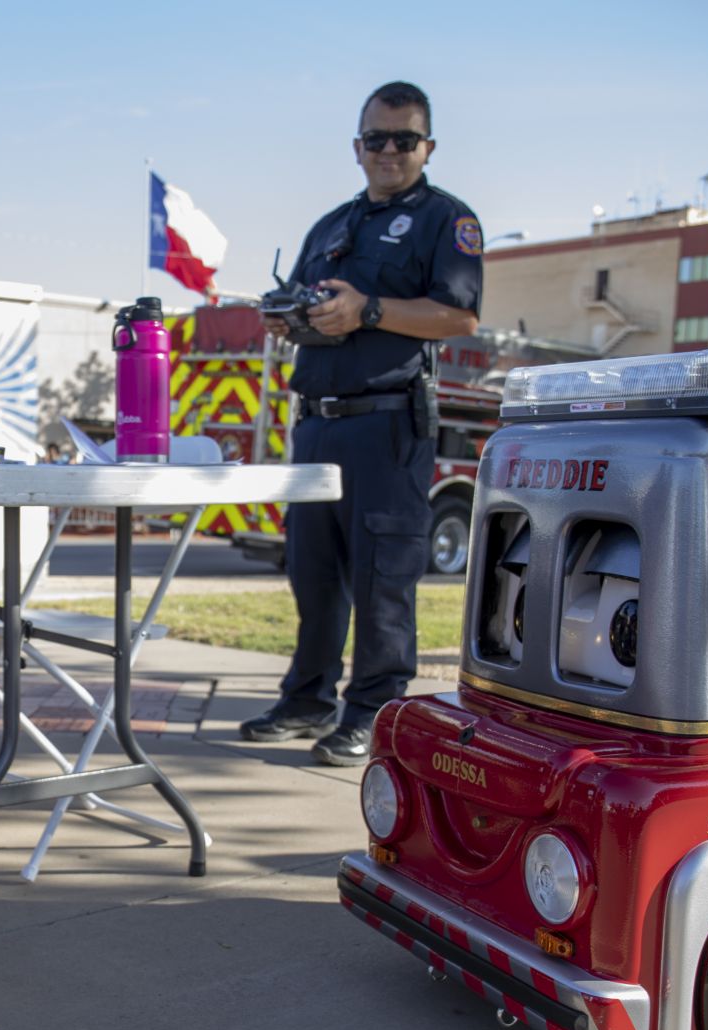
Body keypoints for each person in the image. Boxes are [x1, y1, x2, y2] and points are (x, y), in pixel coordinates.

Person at [238, 80, 481, 766]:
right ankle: (307, 697)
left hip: (387, 424)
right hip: (317, 422)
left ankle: (374, 710)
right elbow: (317, 309)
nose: (390, 151)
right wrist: (292, 320)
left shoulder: (447, 221)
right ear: (357, 146)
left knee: (383, 579)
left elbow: (461, 316)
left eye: (405, 139)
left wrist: (369, 310)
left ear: (427, 146)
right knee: (312, 573)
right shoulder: (330, 226)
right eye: (377, 138)